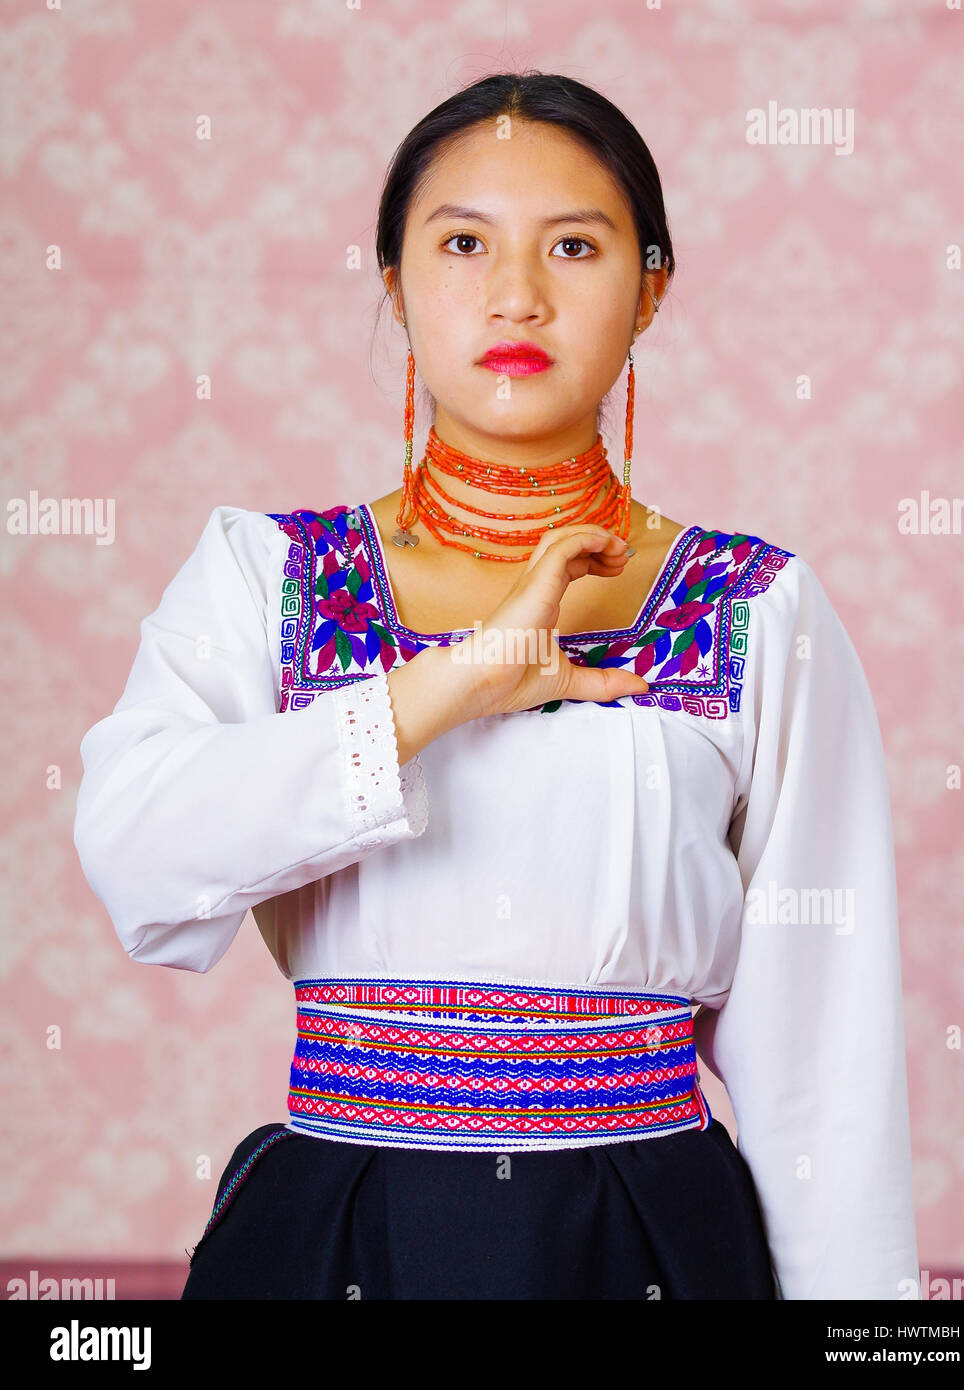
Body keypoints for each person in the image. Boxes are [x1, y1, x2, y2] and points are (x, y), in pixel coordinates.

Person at [73, 71, 919, 1301]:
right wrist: (453, 686)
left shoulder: (753, 605)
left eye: (574, 246)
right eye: (461, 241)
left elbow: (822, 1068)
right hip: (338, 1230)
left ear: (651, 289)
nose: (515, 294)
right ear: (393, 283)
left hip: (646, 1235)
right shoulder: (267, 574)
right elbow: (138, 859)